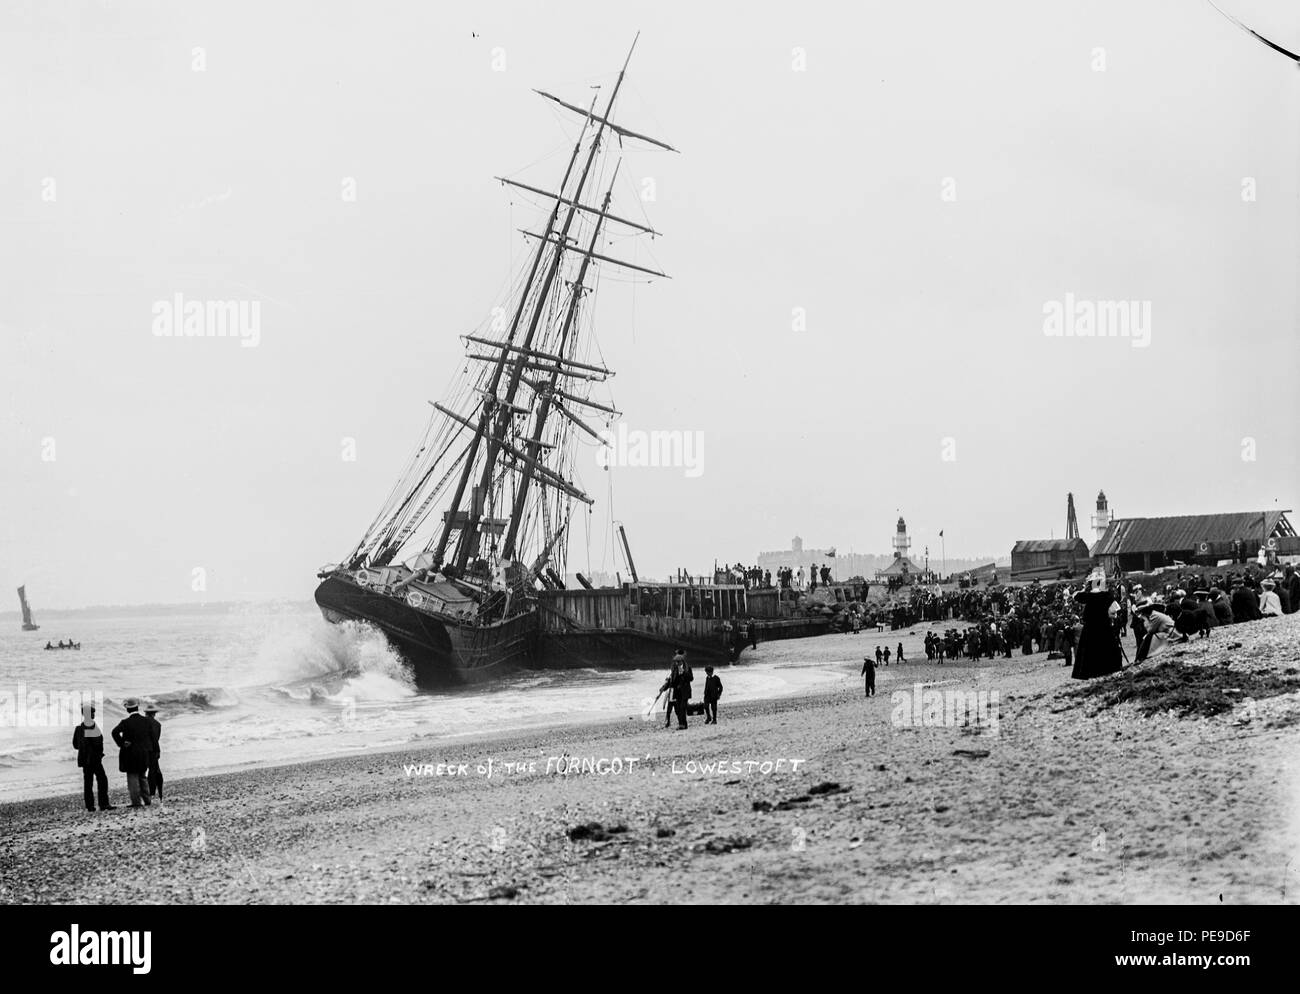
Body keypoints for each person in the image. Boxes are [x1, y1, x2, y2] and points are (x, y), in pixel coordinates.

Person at [1071, 570, 1122, 679]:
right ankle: (1110, 668)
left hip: (1090, 628)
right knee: (1107, 648)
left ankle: (1092, 672)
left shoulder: (1086, 596)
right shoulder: (1107, 595)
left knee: (1090, 651)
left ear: (1092, 584)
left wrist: (1085, 588)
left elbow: (1075, 595)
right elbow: (1115, 610)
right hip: (1104, 626)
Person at [111, 697, 156, 808]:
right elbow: (152, 737)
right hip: (144, 753)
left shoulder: (125, 722)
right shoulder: (146, 721)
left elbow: (114, 732)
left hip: (130, 753)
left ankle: (136, 802)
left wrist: (122, 743)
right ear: (138, 707)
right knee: (142, 777)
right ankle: (147, 800)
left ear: (127, 709)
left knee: (133, 778)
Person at [72, 703, 113, 812]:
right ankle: (103, 804)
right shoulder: (92, 726)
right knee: (102, 780)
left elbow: (75, 745)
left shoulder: (78, 728)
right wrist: (99, 754)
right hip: (94, 758)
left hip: (84, 759)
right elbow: (98, 743)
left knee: (88, 782)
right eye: (93, 713)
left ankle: (90, 806)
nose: (94, 714)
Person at [144, 702, 164, 801]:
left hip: (144, 749)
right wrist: (157, 751)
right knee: (154, 770)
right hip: (155, 749)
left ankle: (150, 792)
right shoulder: (158, 724)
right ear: (154, 713)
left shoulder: (143, 722)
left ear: (146, 713)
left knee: (143, 772)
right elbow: (157, 739)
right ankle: (158, 792)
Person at [671, 650, 693, 729]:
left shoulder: (687, 668)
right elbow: (673, 681)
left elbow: (691, 678)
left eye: (678, 661)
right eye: (676, 661)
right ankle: (683, 724)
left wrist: (683, 673)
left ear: (682, 661)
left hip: (685, 691)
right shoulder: (674, 670)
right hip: (677, 692)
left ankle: (682, 724)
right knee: (678, 710)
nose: (677, 663)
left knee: (682, 708)